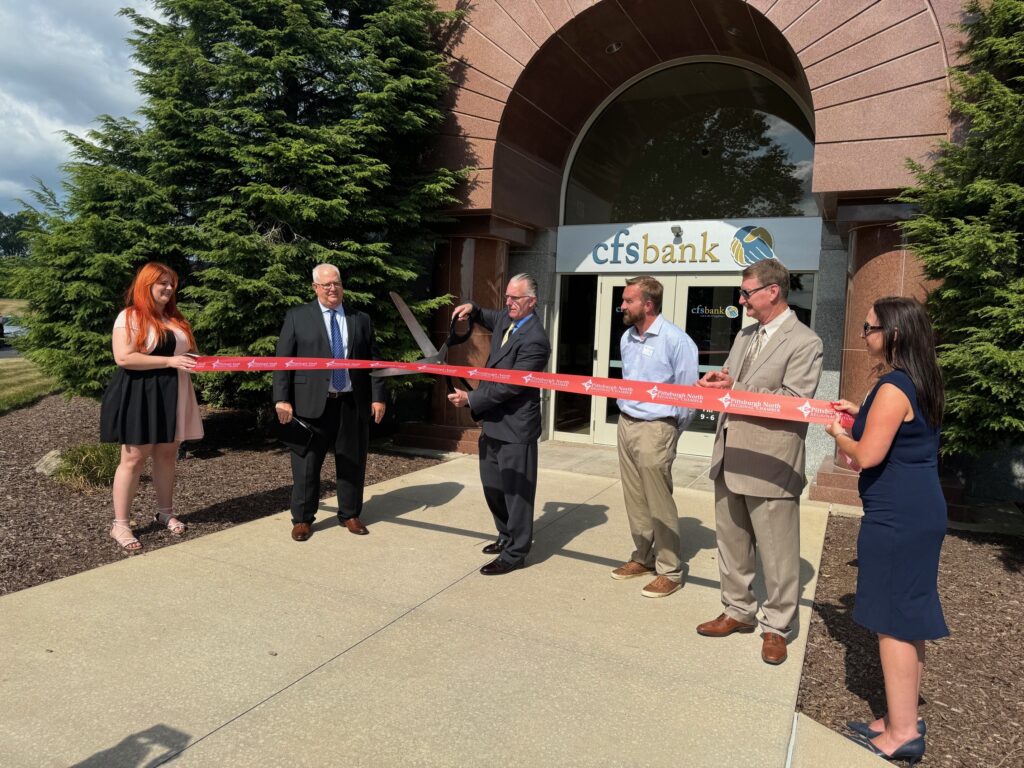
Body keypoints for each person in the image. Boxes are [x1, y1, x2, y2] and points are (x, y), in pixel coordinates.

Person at [825, 297, 946, 765]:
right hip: (917, 511)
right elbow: (899, 435)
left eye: (869, 328)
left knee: (894, 625)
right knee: (907, 618)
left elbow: (867, 455)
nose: (863, 335)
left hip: (898, 517)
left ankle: (900, 735)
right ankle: (903, 719)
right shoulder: (920, 379)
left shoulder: (895, 386)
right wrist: (862, 409)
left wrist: (839, 433)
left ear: (893, 334)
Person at [695, 259, 823, 665]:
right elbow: (733, 379)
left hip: (770, 461)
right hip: (730, 453)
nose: (741, 299)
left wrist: (737, 387)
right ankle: (738, 610)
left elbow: (793, 401)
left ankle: (777, 626)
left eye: (747, 292)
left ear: (773, 291)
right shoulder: (745, 334)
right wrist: (718, 382)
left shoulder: (806, 342)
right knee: (731, 544)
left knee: (778, 553)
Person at [273, 264, 386, 542]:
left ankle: (350, 513)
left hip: (352, 403)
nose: (332, 288)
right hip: (310, 404)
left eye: (336, 283)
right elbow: (282, 362)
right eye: (326, 285)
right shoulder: (298, 317)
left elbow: (375, 362)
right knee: (306, 464)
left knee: (352, 462)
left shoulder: (361, 319)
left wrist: (378, 396)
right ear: (315, 288)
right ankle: (302, 519)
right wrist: (281, 399)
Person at [448, 273, 551, 575]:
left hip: (516, 427)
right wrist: (472, 308)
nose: (508, 303)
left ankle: (516, 552)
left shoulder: (536, 340)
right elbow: (488, 315)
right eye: (507, 297)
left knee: (516, 493)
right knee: (493, 486)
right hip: (493, 423)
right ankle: (505, 535)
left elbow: (511, 387)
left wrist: (471, 399)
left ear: (531, 302)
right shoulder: (508, 319)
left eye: (515, 298)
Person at [100, 262, 204, 552]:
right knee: (133, 459)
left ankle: (165, 512)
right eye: (162, 283)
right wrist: (169, 361)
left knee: (167, 455)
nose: (169, 288)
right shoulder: (130, 316)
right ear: (147, 285)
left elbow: (189, 353)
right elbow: (124, 357)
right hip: (140, 394)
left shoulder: (175, 318)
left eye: (172, 283)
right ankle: (120, 524)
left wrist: (198, 360)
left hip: (174, 393)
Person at [610, 276, 699, 598]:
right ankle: (643, 558)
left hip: (657, 426)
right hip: (627, 422)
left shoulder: (677, 341)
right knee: (634, 497)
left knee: (658, 500)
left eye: (628, 300)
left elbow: (689, 395)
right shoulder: (627, 338)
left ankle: (670, 570)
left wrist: (671, 431)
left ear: (647, 304)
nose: (622, 305)